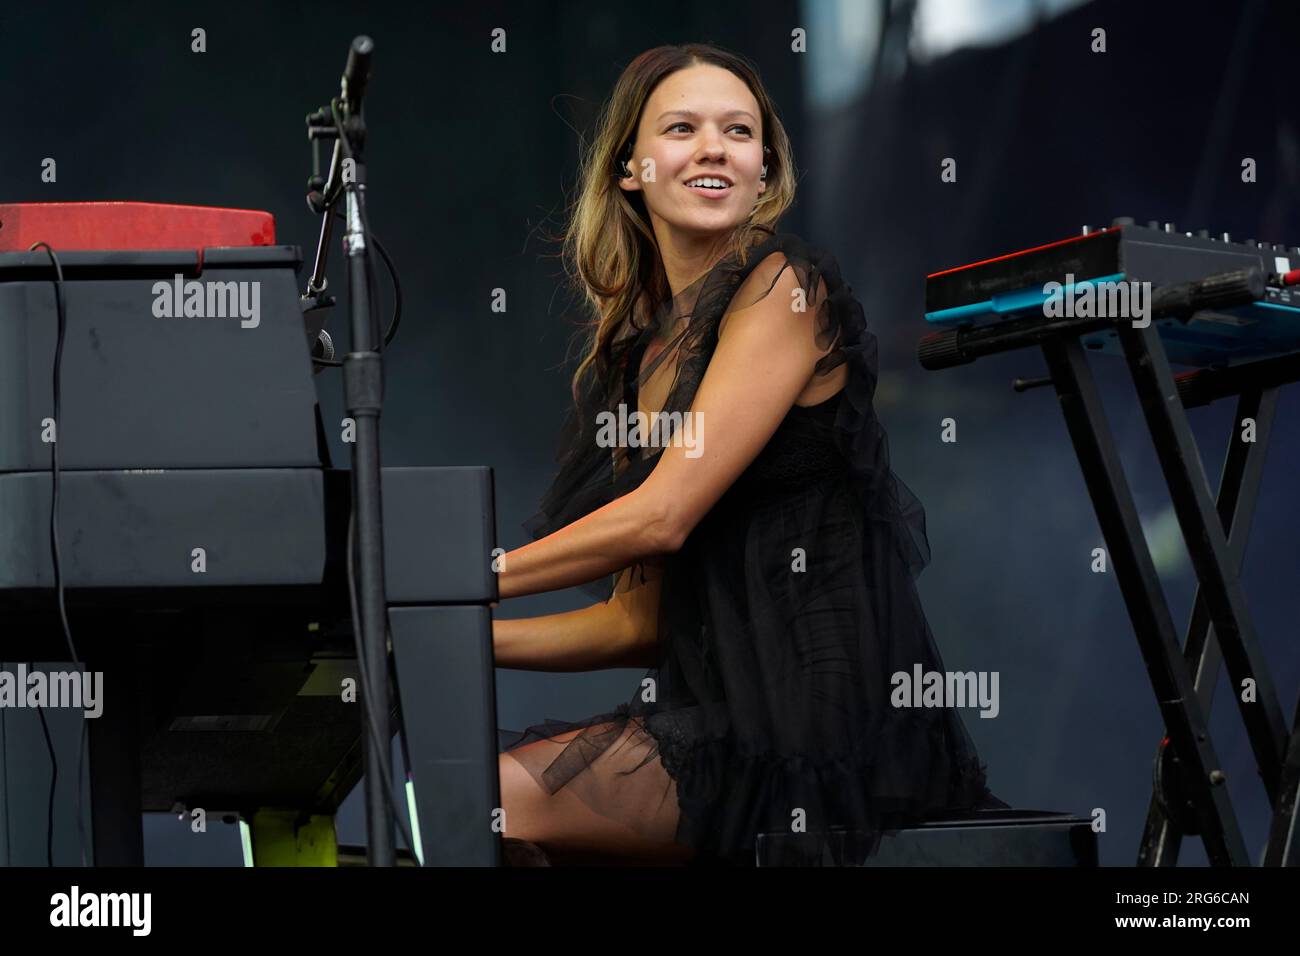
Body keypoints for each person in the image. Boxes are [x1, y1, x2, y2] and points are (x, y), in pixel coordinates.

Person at [491, 42, 1002, 867]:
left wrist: (469, 581)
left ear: (764, 170)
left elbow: (662, 517)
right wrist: (441, 634)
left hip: (820, 721)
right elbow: (635, 622)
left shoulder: (782, 290)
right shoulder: (637, 358)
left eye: (738, 131)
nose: (713, 148)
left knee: (484, 804)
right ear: (631, 168)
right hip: (720, 711)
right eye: (682, 128)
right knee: (475, 810)